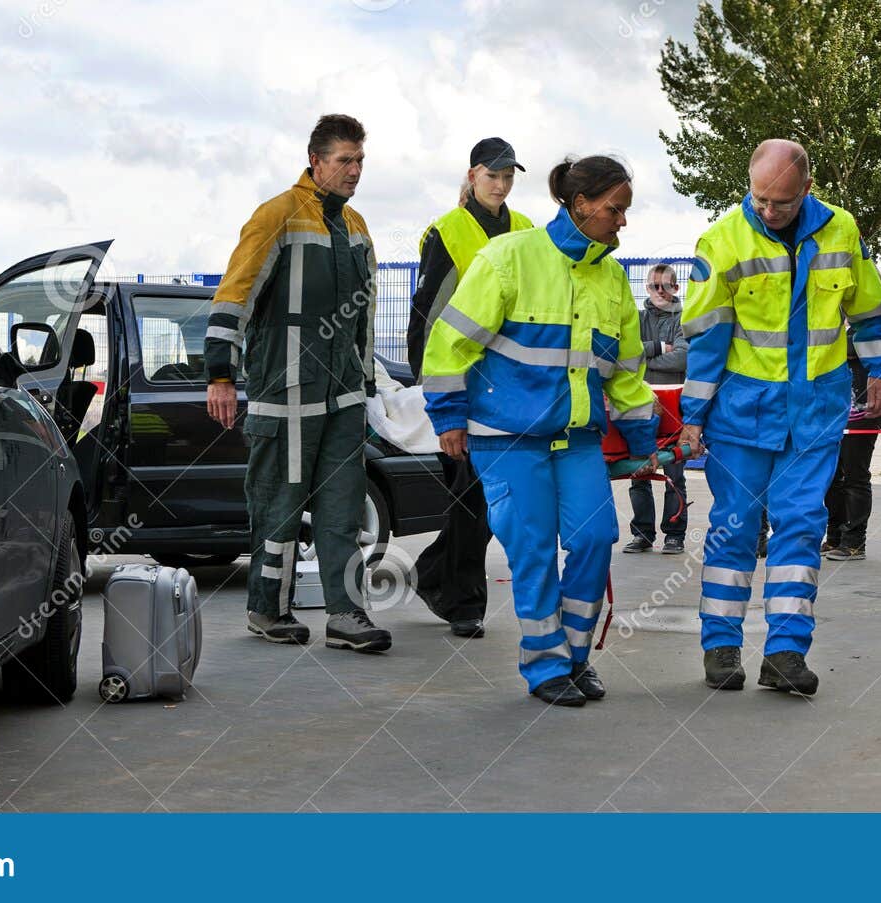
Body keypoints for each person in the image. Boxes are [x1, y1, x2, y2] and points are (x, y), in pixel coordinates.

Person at [423, 154, 659, 707]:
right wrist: (449, 416)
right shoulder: (509, 257)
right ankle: (545, 664)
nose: (621, 222)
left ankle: (576, 658)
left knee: (596, 540)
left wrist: (646, 444)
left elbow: (625, 374)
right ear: (579, 204)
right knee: (531, 550)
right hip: (506, 439)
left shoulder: (611, 281)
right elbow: (449, 343)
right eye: (614, 209)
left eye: (625, 211)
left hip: (575, 438)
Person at [679, 139, 881, 697]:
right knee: (735, 531)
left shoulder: (841, 231)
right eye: (760, 199)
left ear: (806, 187)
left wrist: (879, 370)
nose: (769, 210)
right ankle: (721, 648)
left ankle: (784, 653)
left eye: (781, 201)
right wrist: (693, 416)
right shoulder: (722, 239)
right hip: (741, 415)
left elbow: (870, 308)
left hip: (814, 414)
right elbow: (707, 339)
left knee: (801, 528)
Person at [205, 113, 391, 653]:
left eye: (360, 160)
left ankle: (347, 614)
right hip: (283, 391)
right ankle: (268, 608)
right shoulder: (278, 216)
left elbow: (366, 317)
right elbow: (234, 295)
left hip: (344, 395)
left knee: (344, 505)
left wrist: (370, 382)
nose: (355, 171)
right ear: (316, 161)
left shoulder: (357, 227)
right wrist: (220, 373)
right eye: (344, 161)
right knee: (278, 502)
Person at [407, 138, 534, 639]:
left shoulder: (525, 229)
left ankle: (437, 574)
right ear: (473, 175)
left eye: (508, 177)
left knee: (486, 495)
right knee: (468, 492)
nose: (500, 185)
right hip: (460, 382)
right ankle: (462, 600)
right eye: (492, 176)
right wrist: (431, 387)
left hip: (510, 383)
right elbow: (426, 313)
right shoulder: (448, 231)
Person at [624, 262, 690, 555]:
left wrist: (643, 355)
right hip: (639, 404)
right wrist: (661, 348)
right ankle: (642, 534)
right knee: (639, 472)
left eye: (665, 286)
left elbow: (682, 360)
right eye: (653, 286)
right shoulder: (635, 319)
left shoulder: (685, 319)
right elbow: (623, 355)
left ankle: (674, 535)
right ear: (647, 288)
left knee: (674, 474)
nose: (659, 291)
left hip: (674, 405)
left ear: (676, 288)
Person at [822, 332, 881, 561]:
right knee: (831, 475)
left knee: (854, 474)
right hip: (832, 410)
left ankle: (855, 542)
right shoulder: (830, 316)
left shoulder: (870, 323)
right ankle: (834, 537)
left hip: (863, 411)